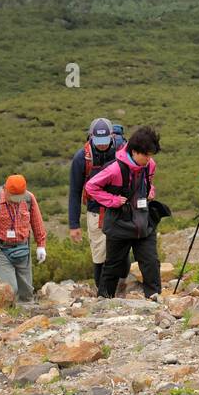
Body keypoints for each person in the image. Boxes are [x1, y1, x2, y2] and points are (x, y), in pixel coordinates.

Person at [87, 125, 163, 299]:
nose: (149, 159)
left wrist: (150, 191)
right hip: (119, 223)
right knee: (113, 265)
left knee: (150, 261)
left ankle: (154, 297)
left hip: (143, 221)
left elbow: (148, 184)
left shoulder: (149, 165)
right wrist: (112, 201)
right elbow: (91, 187)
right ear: (135, 151)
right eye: (147, 154)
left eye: (151, 155)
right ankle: (104, 300)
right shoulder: (114, 168)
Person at [69, 117, 126, 290]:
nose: (102, 145)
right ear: (91, 137)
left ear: (112, 136)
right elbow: (75, 191)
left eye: (105, 140)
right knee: (99, 255)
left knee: (121, 254)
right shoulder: (82, 158)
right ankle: (103, 295)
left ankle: (118, 287)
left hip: (120, 209)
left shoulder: (121, 151)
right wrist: (74, 224)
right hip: (96, 212)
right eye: (98, 141)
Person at [0, 174, 47, 303]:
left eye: (19, 197)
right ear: (5, 190)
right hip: (1, 250)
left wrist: (41, 245)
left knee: (27, 293)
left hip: (23, 249)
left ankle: (27, 318)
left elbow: (37, 221)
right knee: (9, 290)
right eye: (13, 196)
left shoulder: (29, 198)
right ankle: (10, 316)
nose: (16, 200)